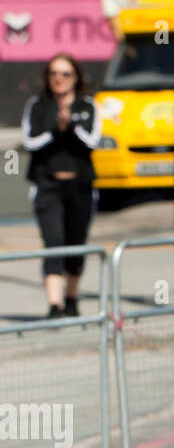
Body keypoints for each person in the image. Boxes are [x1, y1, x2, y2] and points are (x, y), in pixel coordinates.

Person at [21, 52, 101, 318]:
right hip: (47, 186)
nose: (59, 79)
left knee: (76, 244)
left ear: (75, 78)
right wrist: (56, 130)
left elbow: (92, 142)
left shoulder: (87, 106)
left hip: (79, 187)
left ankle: (71, 298)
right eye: (54, 73)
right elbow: (30, 142)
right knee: (54, 242)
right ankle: (54, 305)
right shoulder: (38, 105)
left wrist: (72, 126)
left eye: (65, 73)